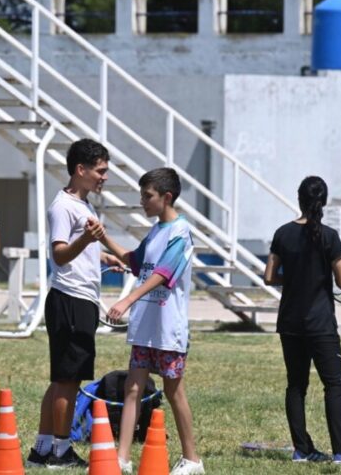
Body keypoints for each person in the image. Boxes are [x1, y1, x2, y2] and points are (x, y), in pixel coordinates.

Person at [260, 176, 341, 468]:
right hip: (321, 323)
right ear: (323, 202)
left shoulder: (282, 233)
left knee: (296, 385)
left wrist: (295, 277)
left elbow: (269, 276)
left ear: (298, 198)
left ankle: (302, 449)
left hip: (290, 321)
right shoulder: (329, 236)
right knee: (334, 384)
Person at [98, 167, 205, 475]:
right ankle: (123, 458)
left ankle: (192, 459)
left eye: (148, 196)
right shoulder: (156, 231)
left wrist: (128, 299)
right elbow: (135, 262)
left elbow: (164, 274)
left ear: (166, 197)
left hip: (167, 328)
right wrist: (103, 237)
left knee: (174, 391)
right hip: (144, 326)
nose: (142, 202)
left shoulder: (180, 232)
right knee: (133, 388)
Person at [26, 138, 123, 469]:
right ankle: (61, 451)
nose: (104, 177)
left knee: (61, 378)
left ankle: (41, 448)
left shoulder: (83, 205)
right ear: (80, 170)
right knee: (68, 379)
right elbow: (60, 254)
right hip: (70, 300)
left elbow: (81, 252)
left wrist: (104, 255)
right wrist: (88, 238)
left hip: (80, 299)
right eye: (100, 171)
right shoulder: (63, 206)